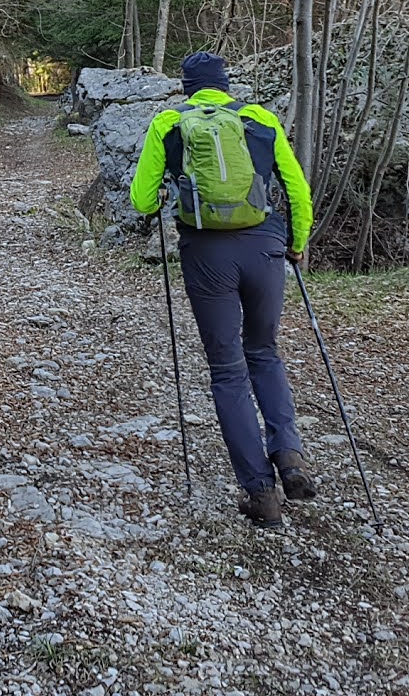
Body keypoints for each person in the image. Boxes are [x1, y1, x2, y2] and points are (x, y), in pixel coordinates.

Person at [130, 50, 319, 529]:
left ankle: (260, 493)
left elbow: (140, 198)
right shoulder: (259, 119)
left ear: (188, 87)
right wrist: (296, 244)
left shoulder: (170, 124)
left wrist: (168, 196)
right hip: (264, 250)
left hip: (206, 254)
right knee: (266, 352)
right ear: (226, 85)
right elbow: (297, 192)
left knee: (227, 369)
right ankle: (290, 456)